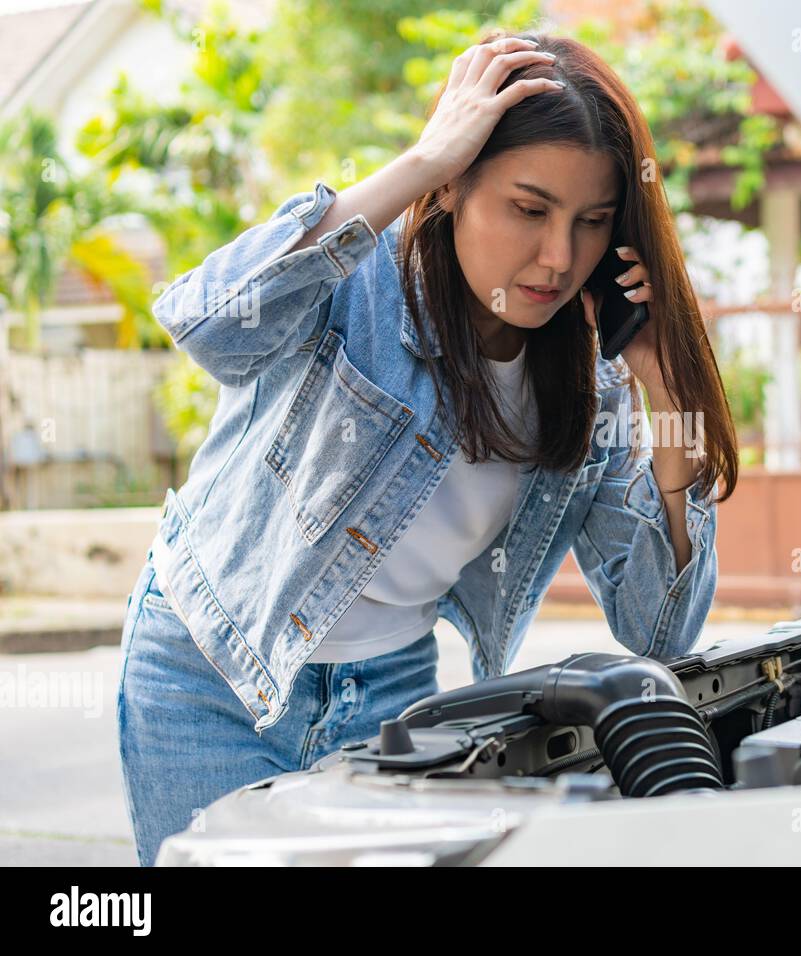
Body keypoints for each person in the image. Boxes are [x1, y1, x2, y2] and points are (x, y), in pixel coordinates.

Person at [115, 29, 738, 866]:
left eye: (590, 223)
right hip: (212, 674)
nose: (558, 258)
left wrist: (662, 387)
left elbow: (659, 628)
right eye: (528, 208)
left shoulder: (591, 382)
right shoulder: (357, 279)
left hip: (393, 698)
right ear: (454, 185)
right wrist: (421, 158)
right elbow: (209, 325)